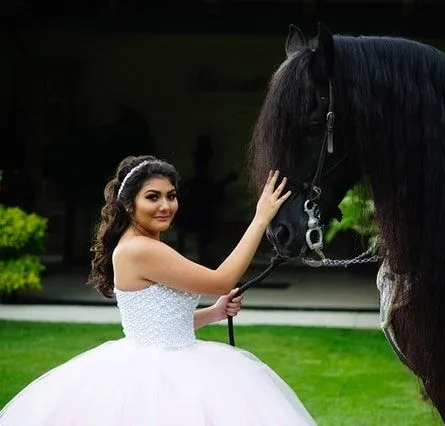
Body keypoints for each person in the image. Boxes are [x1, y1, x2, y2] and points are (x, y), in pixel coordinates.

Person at [0, 155, 316, 425]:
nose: (166, 205)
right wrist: (260, 220)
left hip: (169, 355)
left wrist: (214, 313)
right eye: (153, 197)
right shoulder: (140, 249)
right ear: (128, 204)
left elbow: (160, 323)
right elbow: (221, 280)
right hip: (155, 378)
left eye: (171, 195)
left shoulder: (144, 245)